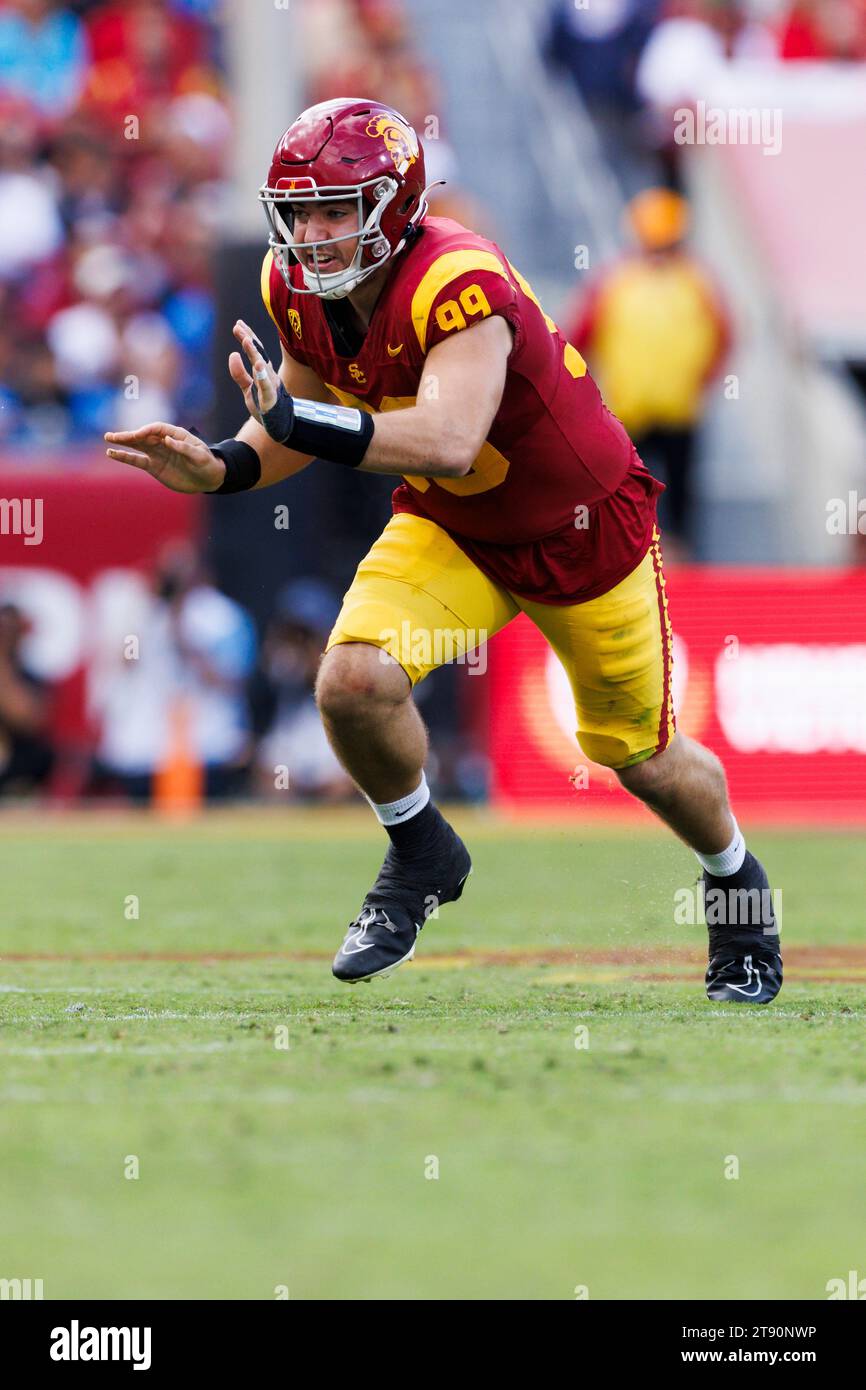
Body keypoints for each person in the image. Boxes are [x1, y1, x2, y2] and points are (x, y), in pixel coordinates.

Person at [105, 98, 782, 1003]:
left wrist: (291, 419)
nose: (311, 231)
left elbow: (449, 437)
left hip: (581, 527)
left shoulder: (455, 277)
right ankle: (422, 848)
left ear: (394, 203)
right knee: (351, 682)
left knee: (643, 758)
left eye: (335, 208)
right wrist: (223, 468)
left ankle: (738, 884)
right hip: (456, 522)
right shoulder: (294, 284)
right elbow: (294, 419)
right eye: (298, 210)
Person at [565, 187, 731, 552]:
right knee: (628, 495)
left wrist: (702, 382)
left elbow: (724, 335)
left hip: (678, 412)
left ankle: (681, 557)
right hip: (629, 412)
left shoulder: (695, 281)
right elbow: (579, 340)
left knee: (680, 496)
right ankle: (633, 554)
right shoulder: (617, 281)